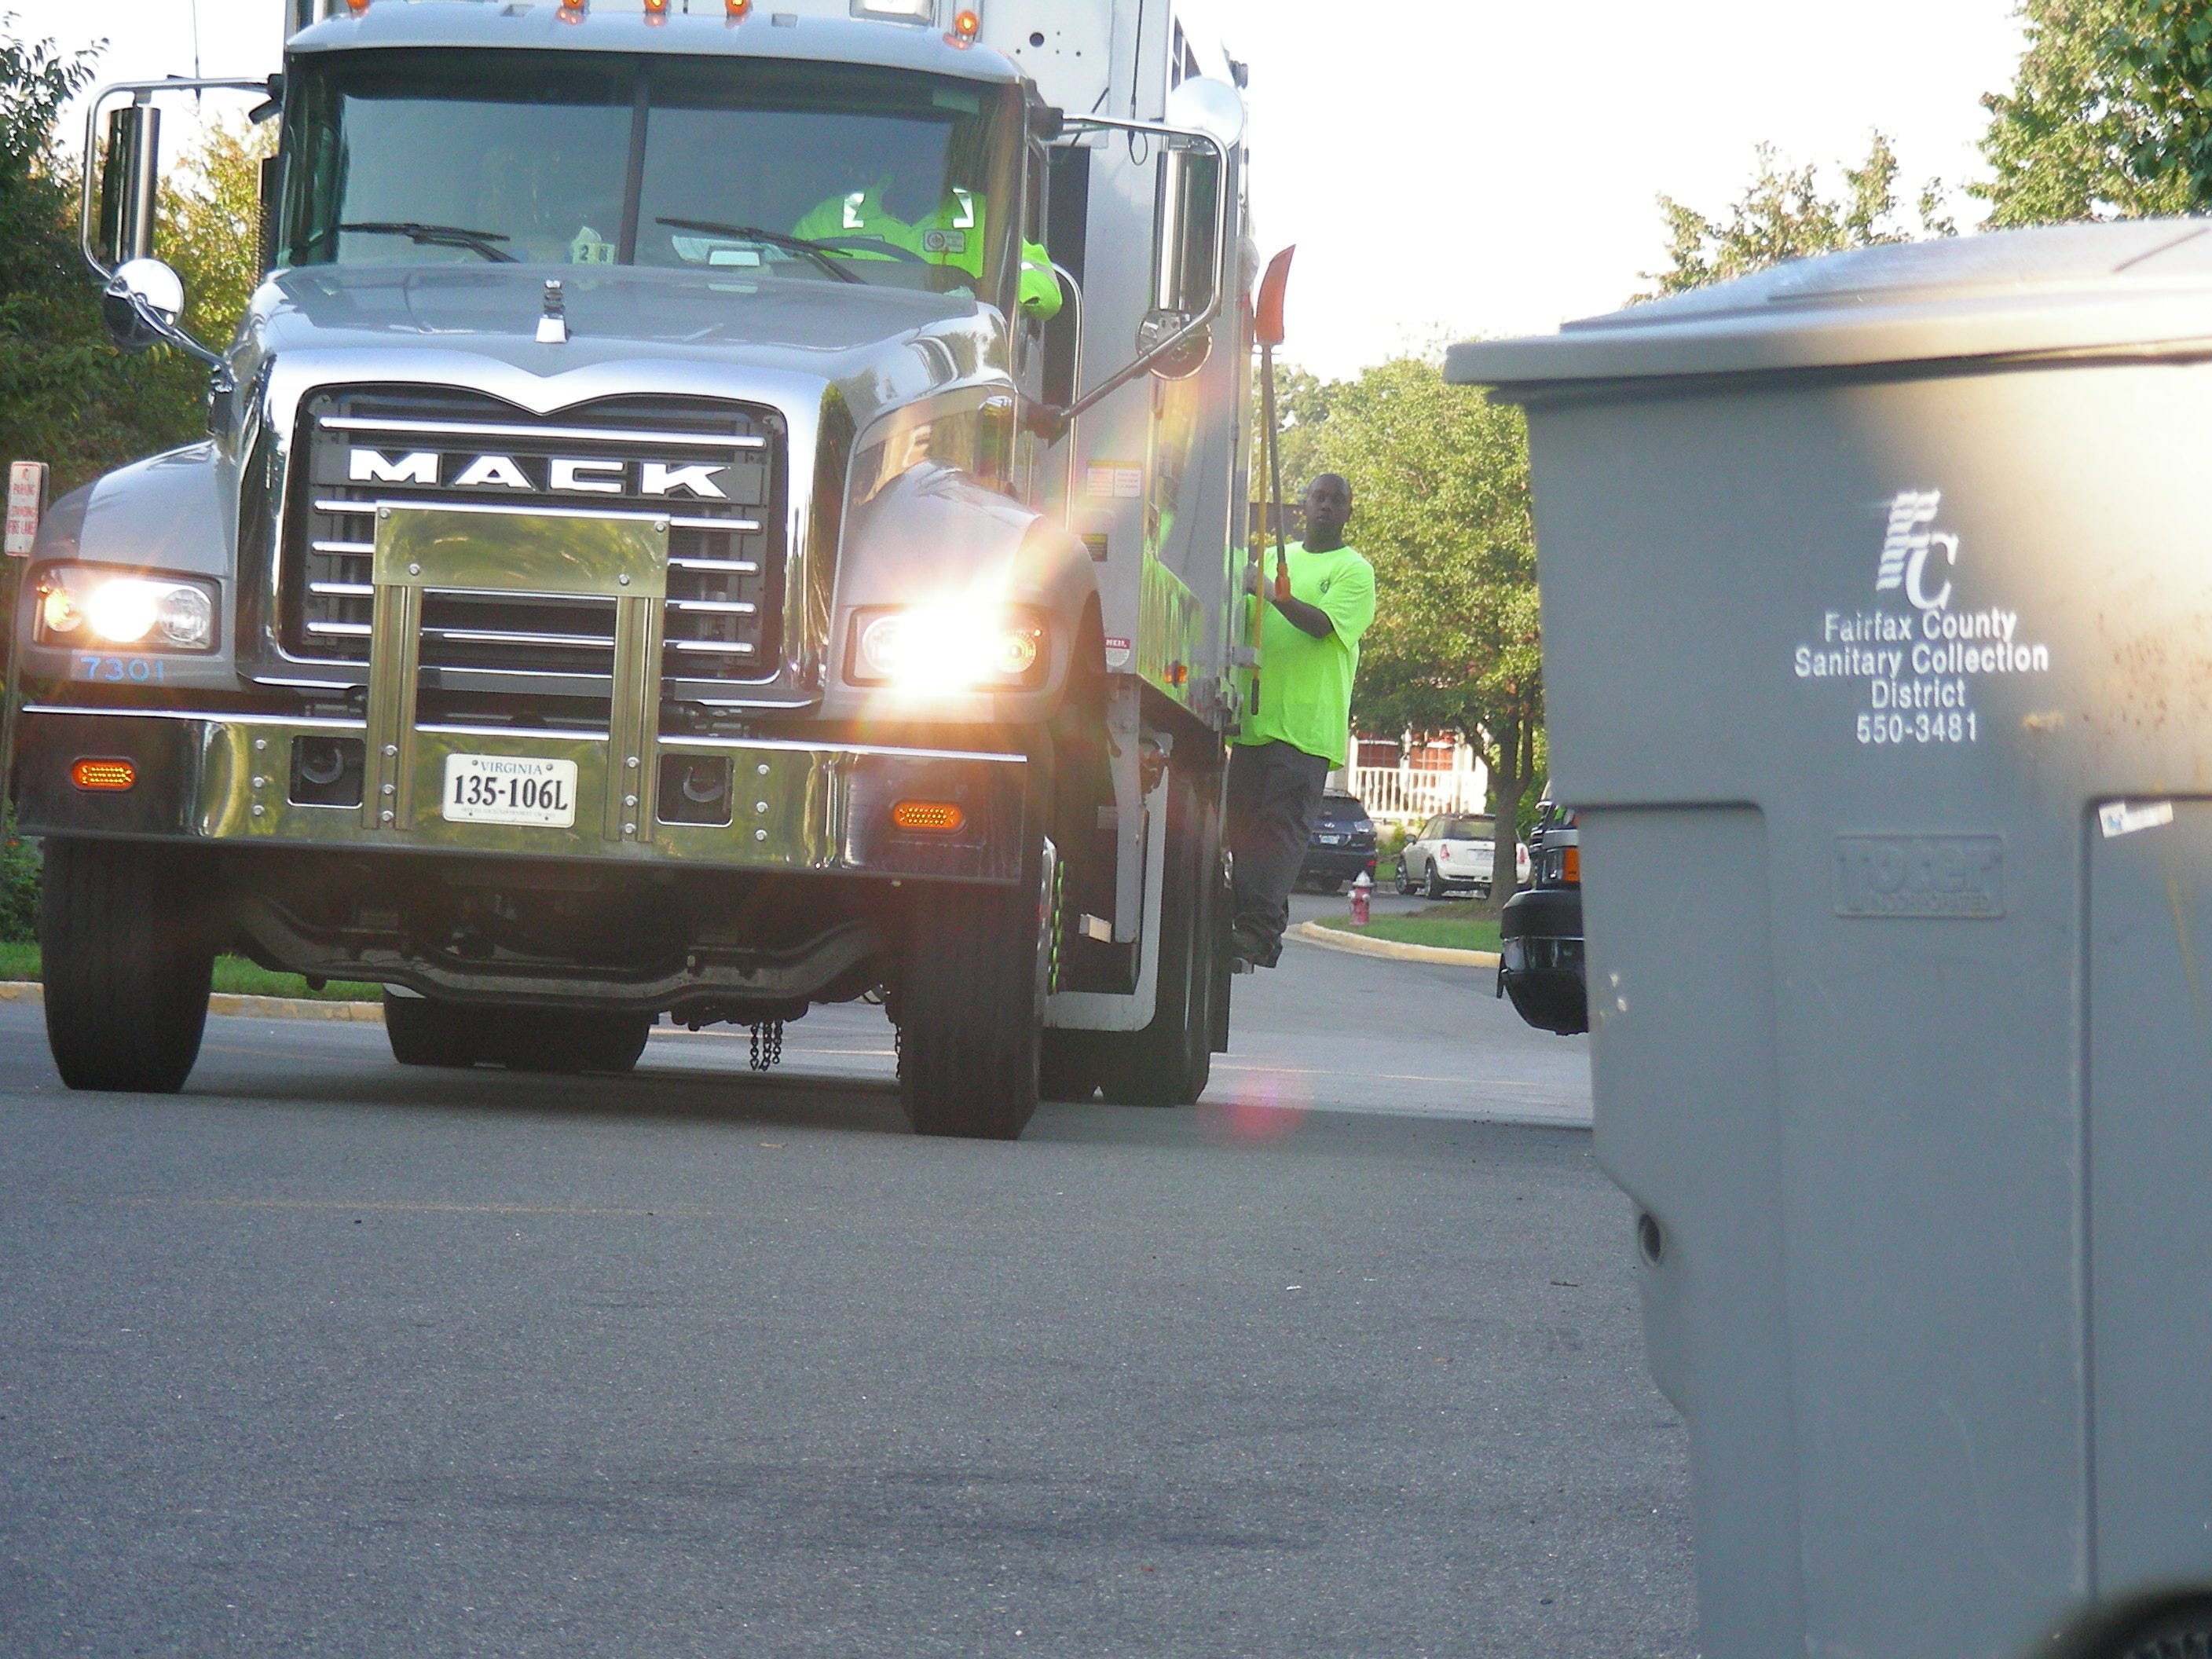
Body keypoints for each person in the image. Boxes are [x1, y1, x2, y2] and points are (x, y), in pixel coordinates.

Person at [1226, 474, 1376, 969]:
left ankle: (1257, 933)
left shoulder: (1353, 571)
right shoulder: (1272, 558)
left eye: (1338, 500)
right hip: (1255, 723)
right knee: (1243, 831)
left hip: (1307, 730)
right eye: (1319, 498)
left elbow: (1319, 627)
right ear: (1302, 507)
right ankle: (1256, 927)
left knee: (1279, 831)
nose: (1327, 506)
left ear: (1349, 512)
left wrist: (1273, 593)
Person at [792, 181, 1062, 320]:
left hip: (950, 362)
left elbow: (1045, 291)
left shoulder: (983, 214)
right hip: (849, 358)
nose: (921, 160)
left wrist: (982, 291)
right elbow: (781, 276)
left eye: (940, 145)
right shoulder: (831, 217)